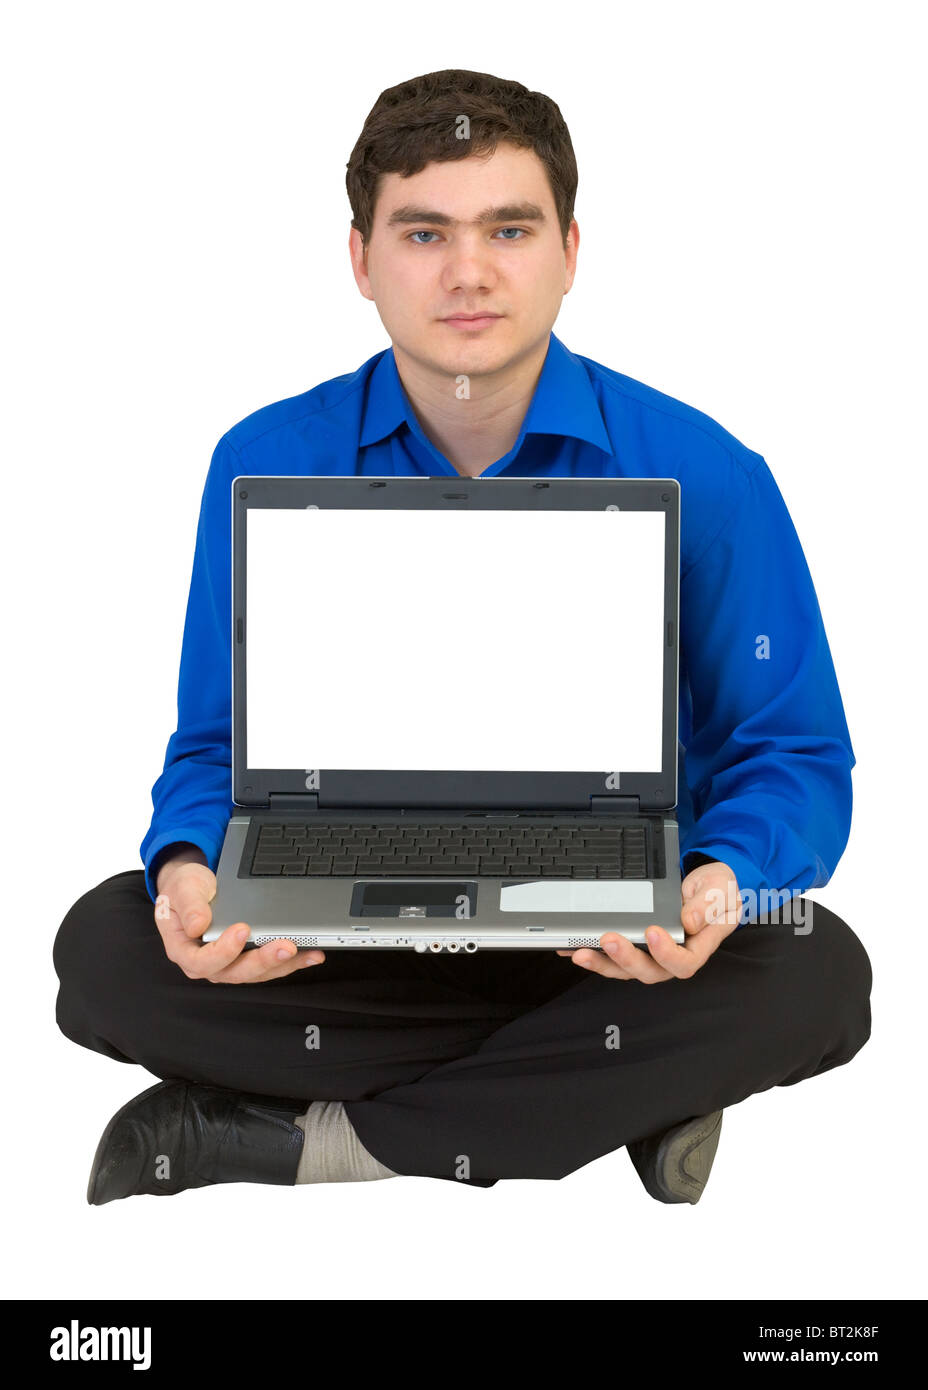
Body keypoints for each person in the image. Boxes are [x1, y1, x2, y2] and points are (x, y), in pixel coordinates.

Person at [54, 68, 872, 1205]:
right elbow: (213, 745)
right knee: (104, 951)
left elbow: (792, 757)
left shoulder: (710, 473)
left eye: (509, 228)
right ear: (360, 259)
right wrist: (189, 870)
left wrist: (717, 883)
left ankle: (316, 1139)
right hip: (353, 934)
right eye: (423, 231)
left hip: (605, 937)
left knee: (816, 972)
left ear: (570, 250)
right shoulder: (265, 455)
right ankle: (614, 1091)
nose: (469, 271)